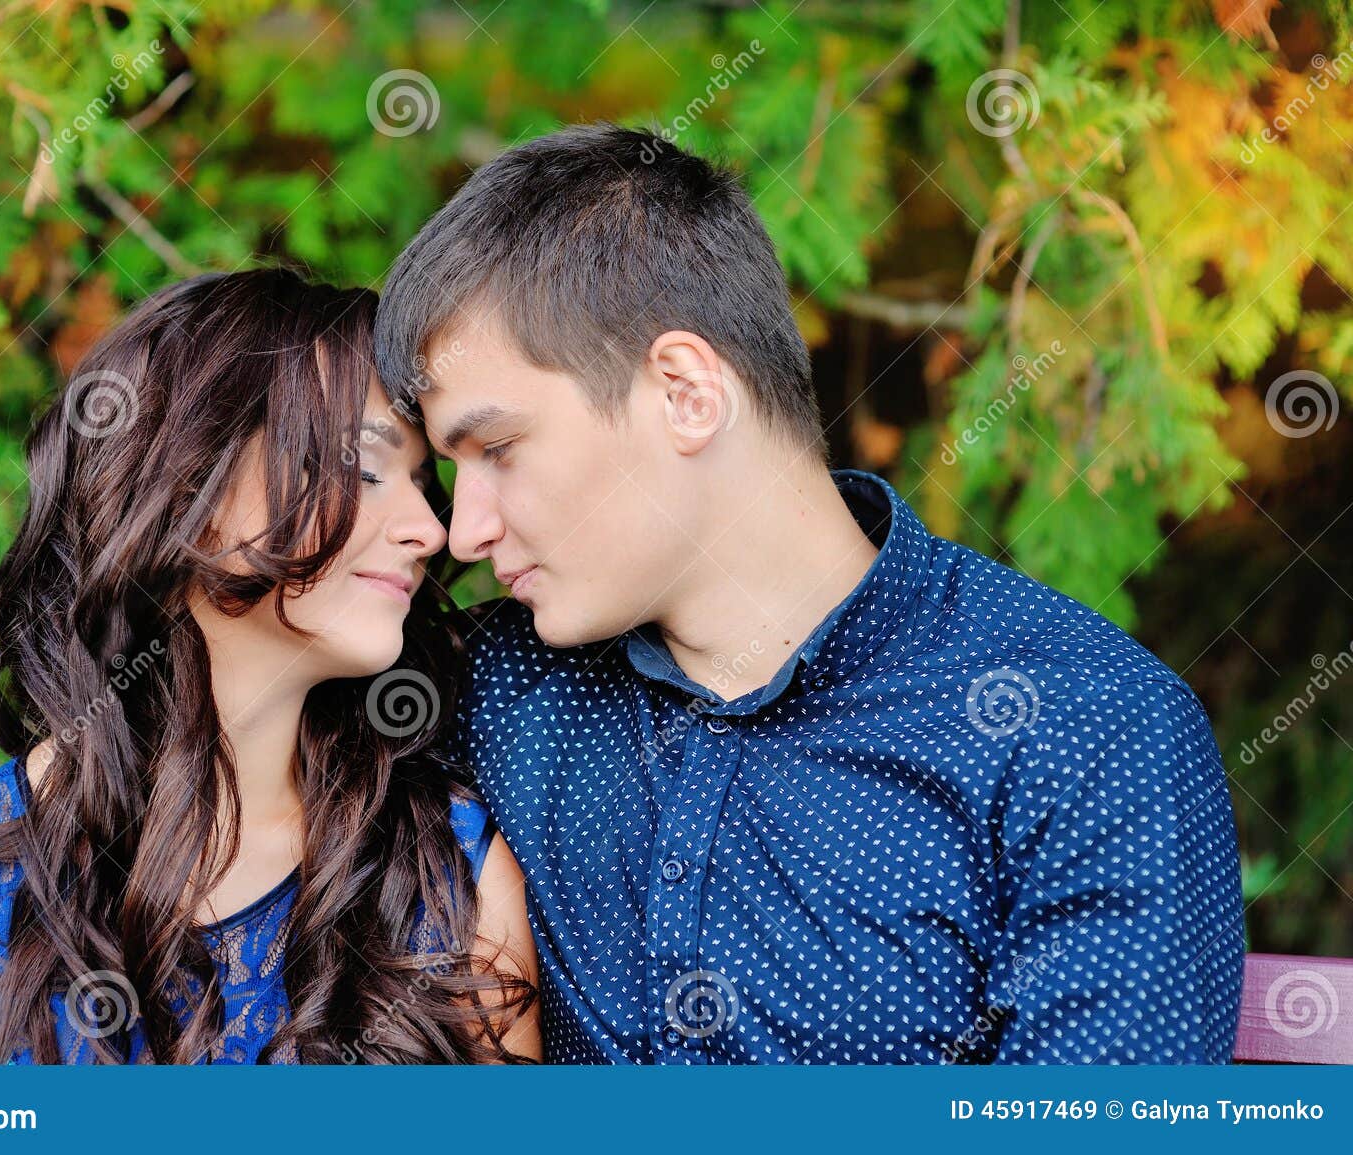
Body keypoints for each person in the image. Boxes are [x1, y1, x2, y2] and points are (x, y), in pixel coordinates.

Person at [372, 122, 1245, 1064]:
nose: (466, 531)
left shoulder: (1083, 731)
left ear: (685, 393)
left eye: (498, 450)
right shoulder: (493, 686)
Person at [0, 268, 540, 1064]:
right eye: (363, 469)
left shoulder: (445, 873)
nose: (430, 531)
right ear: (191, 480)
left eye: (421, 485)